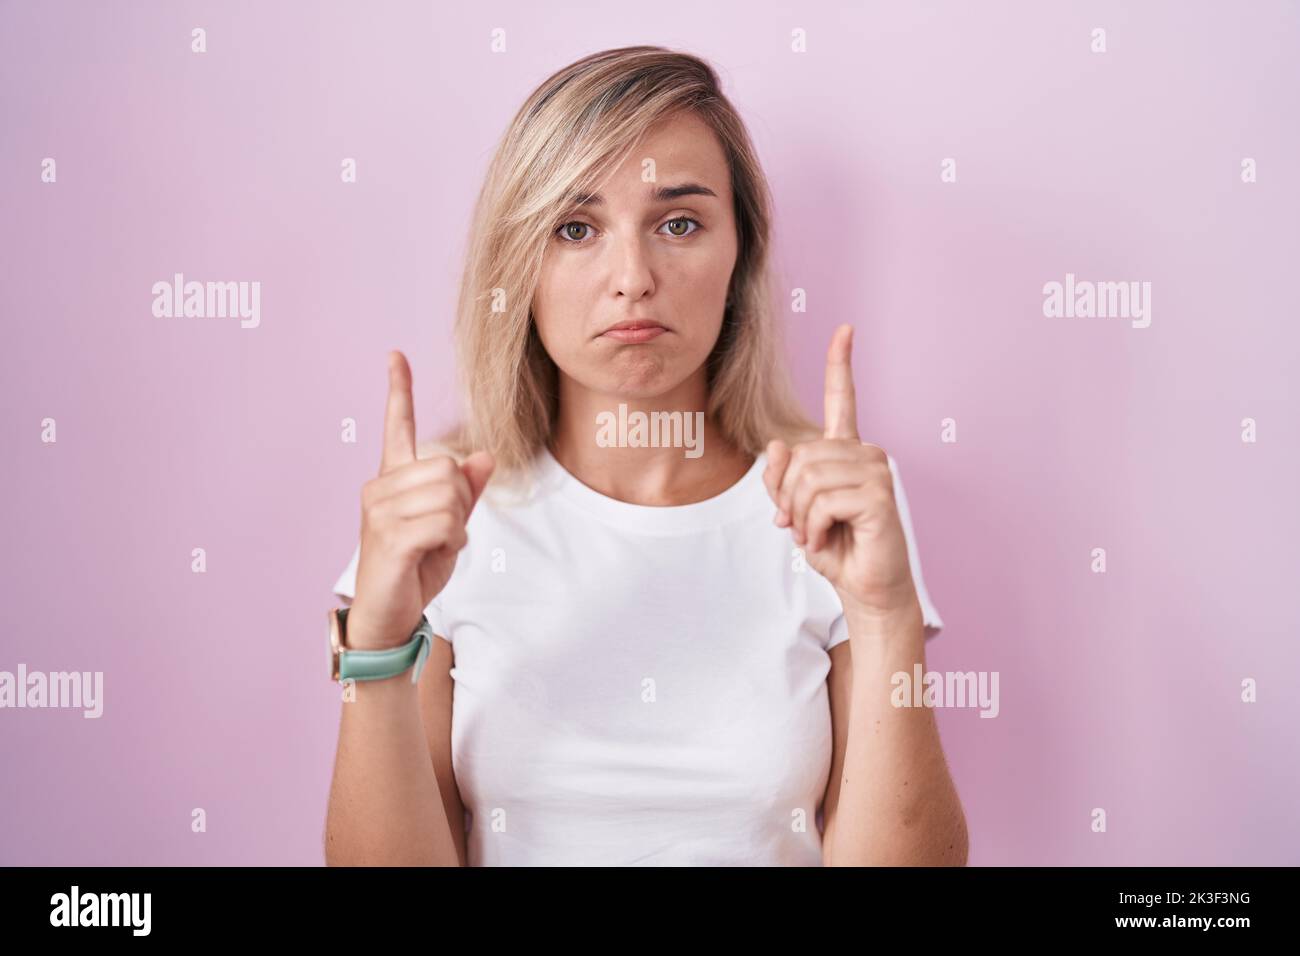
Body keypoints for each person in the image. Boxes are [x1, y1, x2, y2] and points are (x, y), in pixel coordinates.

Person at [324, 45, 966, 866]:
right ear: (518, 263)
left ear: (741, 260)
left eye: (678, 223)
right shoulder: (440, 519)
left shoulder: (835, 506)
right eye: (577, 228)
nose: (632, 277)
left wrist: (886, 617)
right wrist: (377, 640)